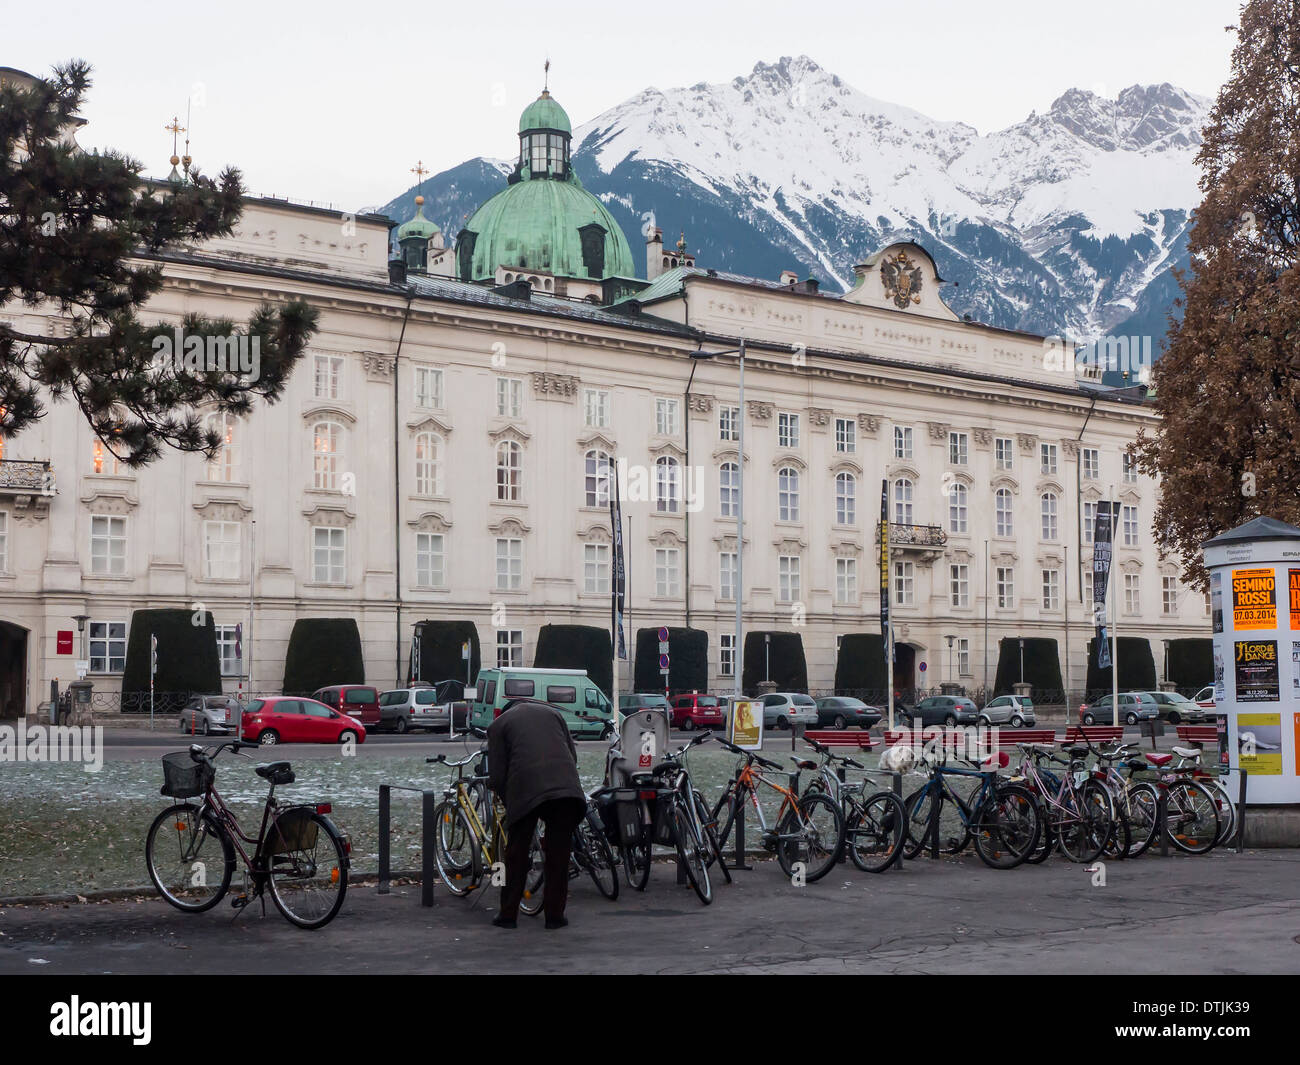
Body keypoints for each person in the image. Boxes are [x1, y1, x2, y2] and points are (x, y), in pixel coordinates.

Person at [486, 698, 586, 930]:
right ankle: (555, 916)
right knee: (559, 854)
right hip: (566, 789)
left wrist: (509, 801)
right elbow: (572, 755)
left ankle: (508, 915)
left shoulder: (499, 726)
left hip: (525, 788)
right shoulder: (554, 715)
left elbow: (498, 774)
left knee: (516, 853)